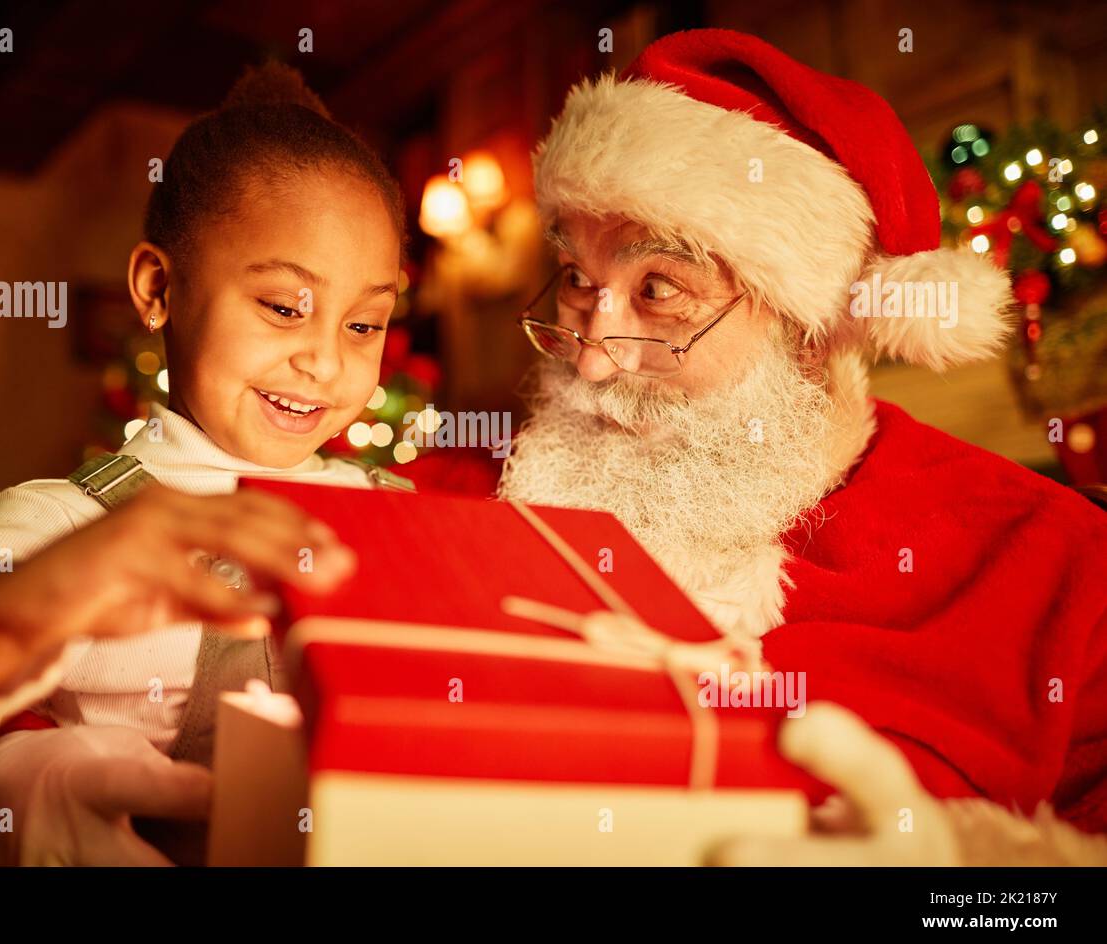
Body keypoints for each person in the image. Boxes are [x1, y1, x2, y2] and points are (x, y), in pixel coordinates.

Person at [422, 29, 1107, 864]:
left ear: (815, 330)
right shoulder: (453, 492)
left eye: (660, 289)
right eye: (576, 280)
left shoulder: (1056, 566)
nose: (593, 358)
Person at [0, 62, 410, 866]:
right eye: (283, 307)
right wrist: (0, 769)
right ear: (158, 287)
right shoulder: (59, 523)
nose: (326, 364)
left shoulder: (402, 516)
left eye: (364, 324)